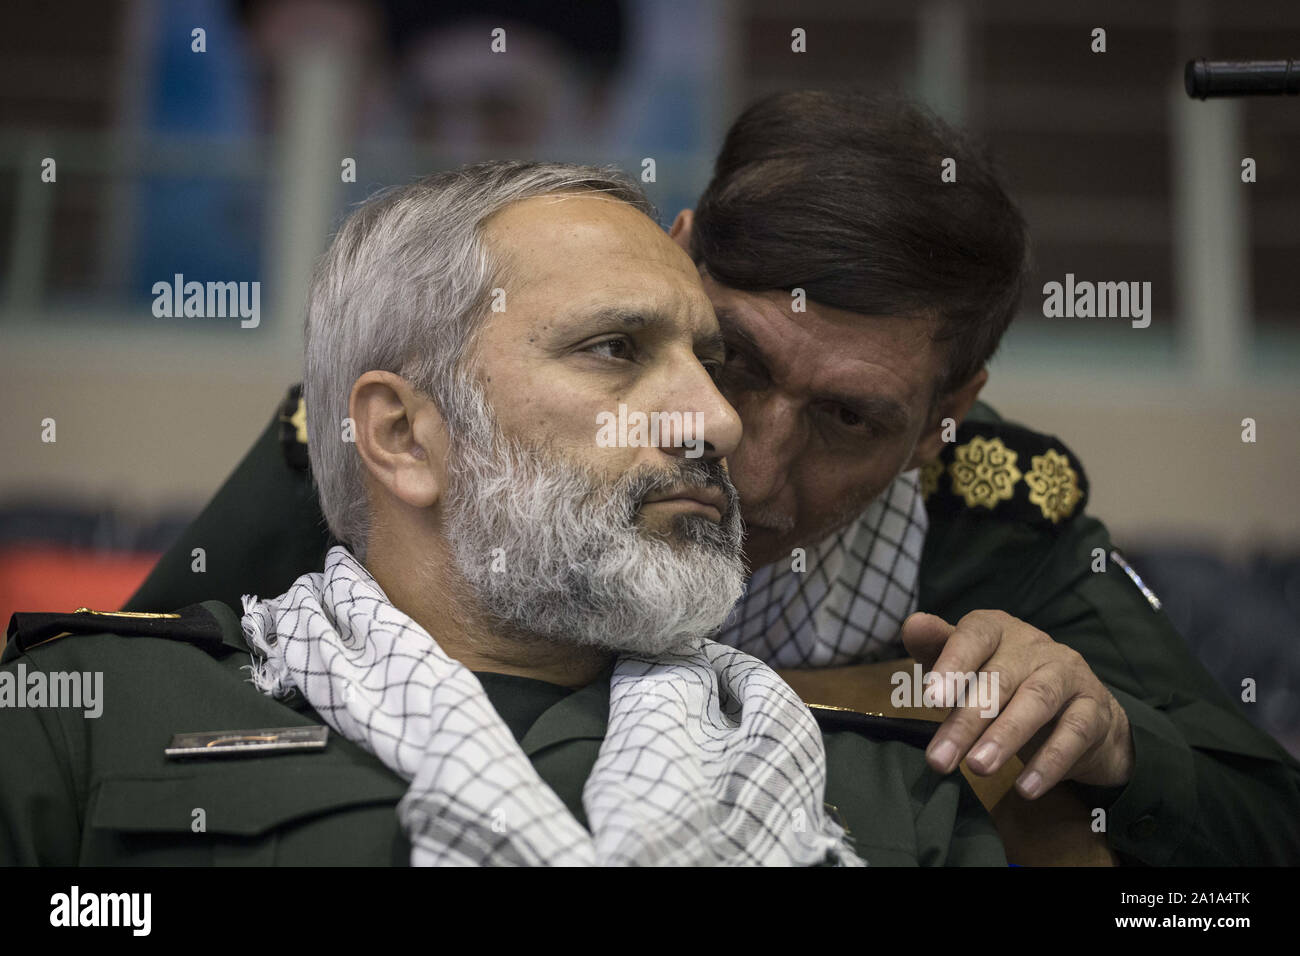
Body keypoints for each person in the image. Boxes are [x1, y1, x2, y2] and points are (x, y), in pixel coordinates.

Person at [121, 92, 1300, 866]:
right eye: (730, 358)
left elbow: (1262, 825)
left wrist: (1109, 741)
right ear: (673, 261)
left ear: (948, 410)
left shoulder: (994, 517)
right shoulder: (437, 431)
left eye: (849, 419)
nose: (748, 454)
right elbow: (144, 698)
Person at [0, 161, 1004, 866]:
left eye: (707, 360)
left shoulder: (880, 783)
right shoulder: (86, 721)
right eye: (615, 348)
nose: (716, 419)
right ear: (402, 435)